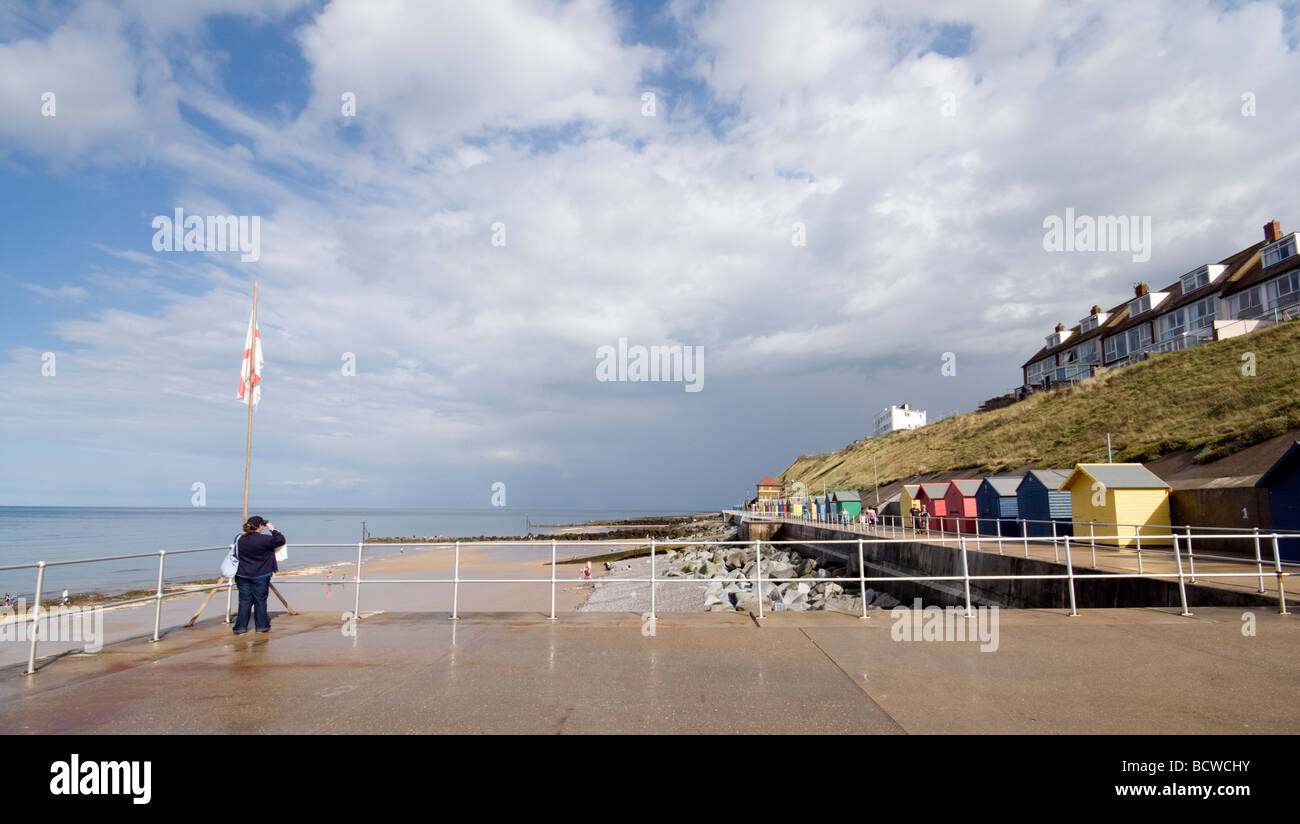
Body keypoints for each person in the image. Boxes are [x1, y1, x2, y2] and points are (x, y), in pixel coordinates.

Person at [232, 515, 286, 634]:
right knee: (260, 601)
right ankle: (261, 627)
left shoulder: (239, 539)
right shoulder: (265, 539)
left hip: (242, 574)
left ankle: (240, 628)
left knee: (244, 601)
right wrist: (272, 529)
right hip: (261, 575)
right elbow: (281, 539)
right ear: (260, 526)